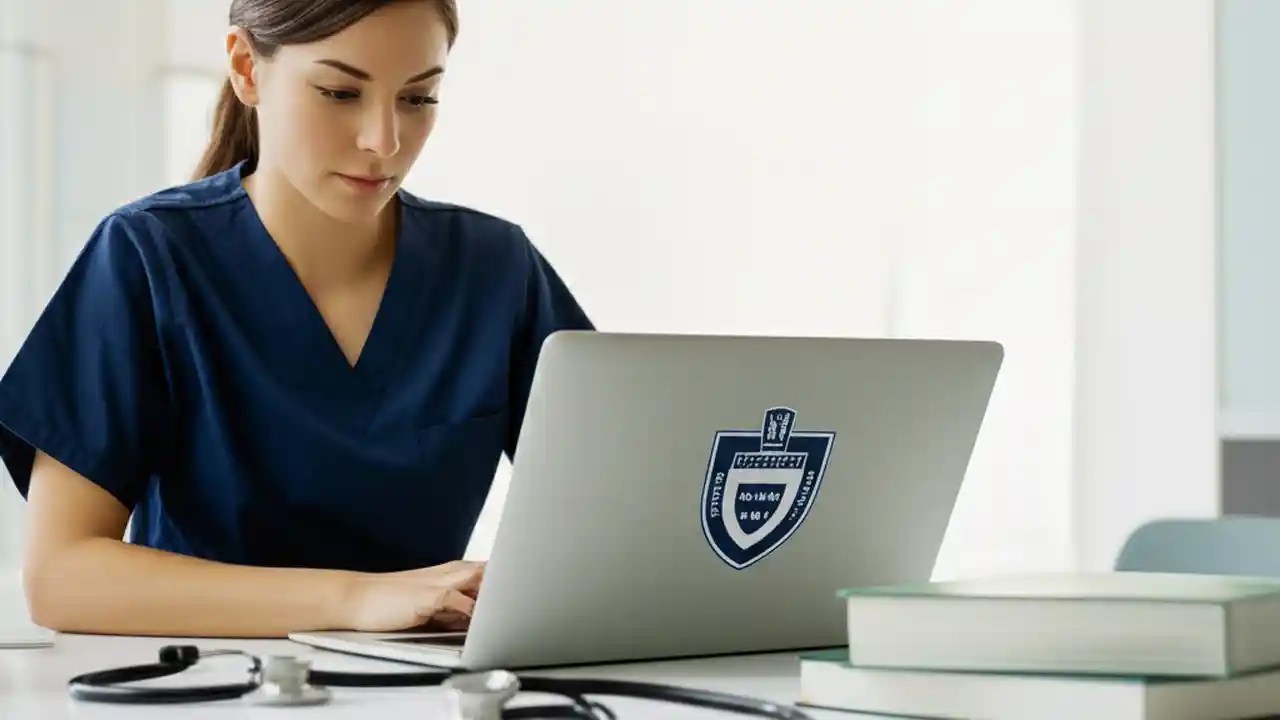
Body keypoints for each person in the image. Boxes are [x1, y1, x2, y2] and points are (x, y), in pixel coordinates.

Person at [0, 0, 592, 638]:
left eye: (418, 99)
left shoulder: (496, 269)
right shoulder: (146, 256)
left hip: (431, 692)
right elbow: (62, 578)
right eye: (339, 92)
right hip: (213, 692)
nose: (383, 141)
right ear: (247, 67)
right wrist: (353, 600)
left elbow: (631, 503)